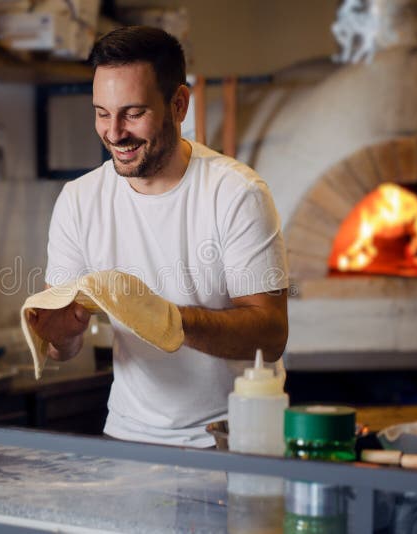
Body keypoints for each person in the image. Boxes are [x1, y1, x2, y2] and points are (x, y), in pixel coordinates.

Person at [26, 26, 289, 447]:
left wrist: (165, 318)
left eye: (133, 113)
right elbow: (64, 350)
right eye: (102, 113)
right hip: (127, 437)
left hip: (231, 437)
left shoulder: (236, 193)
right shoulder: (79, 200)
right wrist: (63, 331)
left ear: (179, 104)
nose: (114, 132)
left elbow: (270, 335)